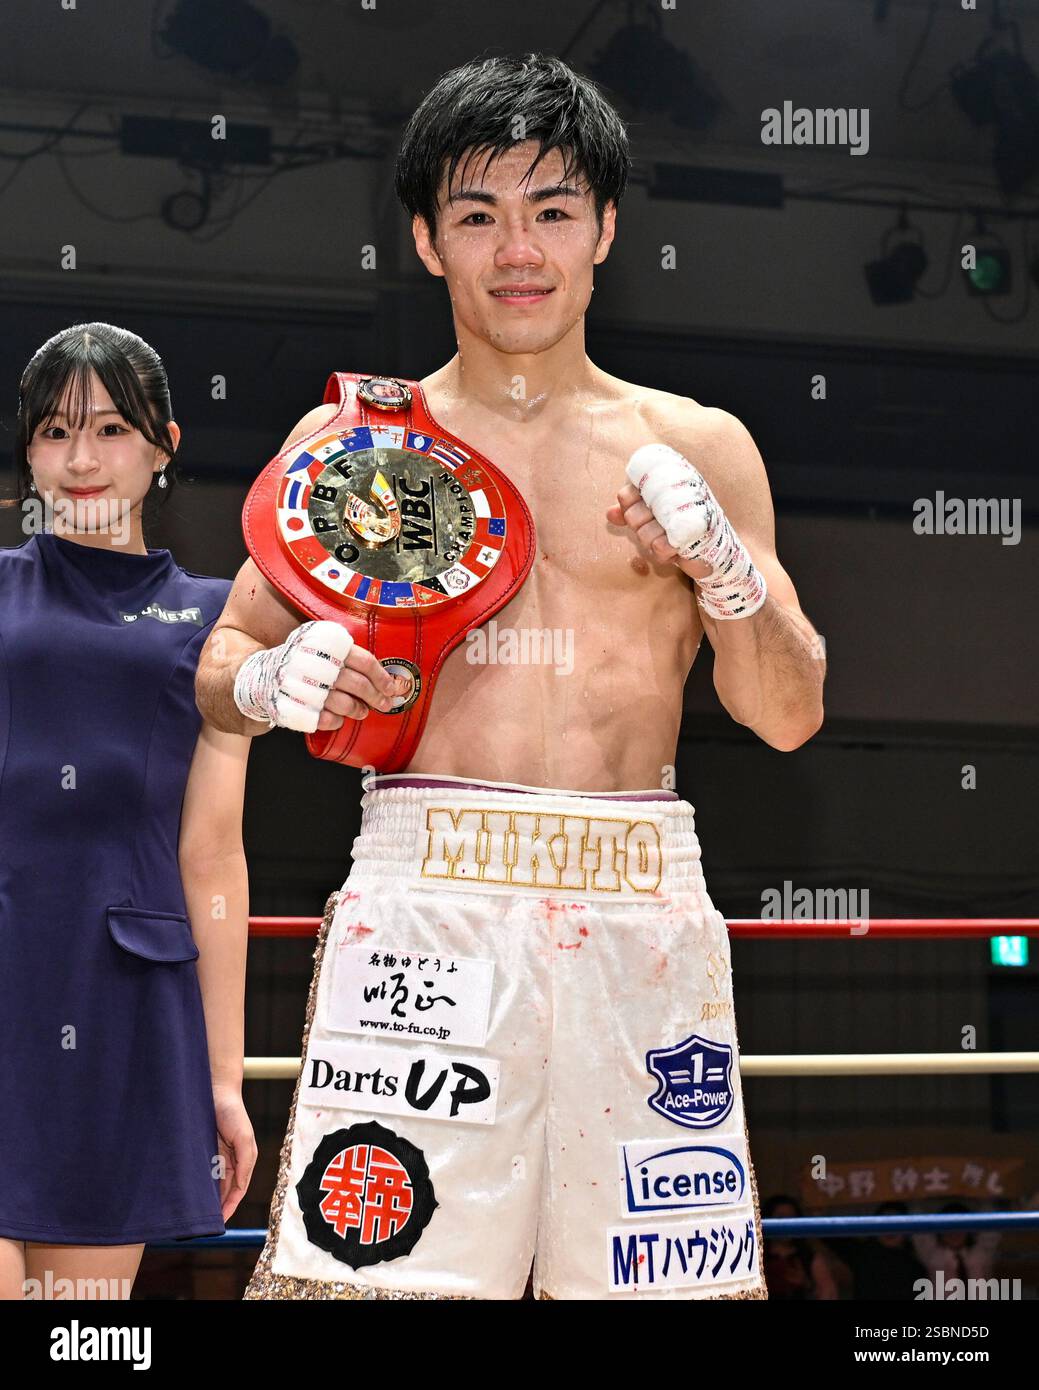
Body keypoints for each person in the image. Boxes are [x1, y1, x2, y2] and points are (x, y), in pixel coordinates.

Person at [197, 53, 825, 1301]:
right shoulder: (357, 445)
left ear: (603, 230)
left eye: (550, 209)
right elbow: (216, 670)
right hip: (429, 908)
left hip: (639, 905)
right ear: (427, 240)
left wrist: (721, 571)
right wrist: (281, 681)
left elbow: (790, 712)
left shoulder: (696, 445)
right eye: (477, 214)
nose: (517, 247)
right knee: (368, 1286)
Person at [0, 323, 255, 1301]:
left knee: (81, 1326)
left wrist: (223, 1078)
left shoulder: (215, 617)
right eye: (57, 431)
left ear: (163, 445)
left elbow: (212, 853)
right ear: (28, 450)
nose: (81, 457)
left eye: (110, 428)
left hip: (123, 1003)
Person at [762, 1194, 841, 1299]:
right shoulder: (756, 1259)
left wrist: (806, 1284)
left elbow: (828, 1294)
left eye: (791, 1218)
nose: (787, 1224)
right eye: (780, 1218)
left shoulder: (810, 1259)